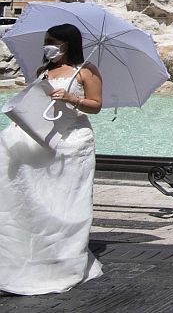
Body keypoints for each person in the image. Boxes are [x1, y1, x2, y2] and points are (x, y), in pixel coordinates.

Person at [0, 24, 103, 295]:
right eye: (47, 41)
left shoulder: (87, 71)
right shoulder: (42, 72)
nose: (49, 47)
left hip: (73, 142)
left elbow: (96, 105)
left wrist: (71, 98)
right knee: (40, 198)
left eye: (54, 42)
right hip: (44, 139)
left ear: (68, 44)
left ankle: (66, 259)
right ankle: (33, 252)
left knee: (67, 201)